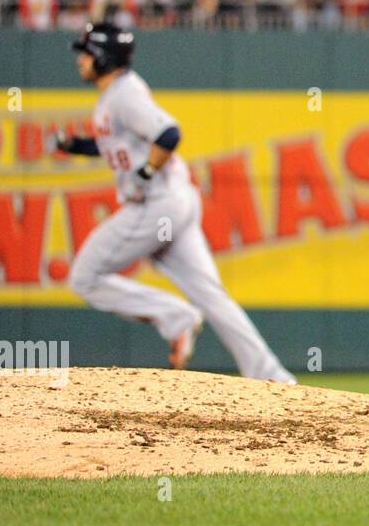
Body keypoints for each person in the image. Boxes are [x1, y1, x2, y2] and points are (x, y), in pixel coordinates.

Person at [55, 22, 296, 382]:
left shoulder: (124, 94)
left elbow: (169, 133)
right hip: (175, 201)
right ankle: (272, 375)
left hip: (156, 205)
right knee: (213, 296)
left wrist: (145, 174)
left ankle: (174, 316)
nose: (81, 60)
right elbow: (117, 145)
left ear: (104, 58)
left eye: (87, 53)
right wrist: (78, 146)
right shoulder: (115, 96)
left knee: (84, 277)